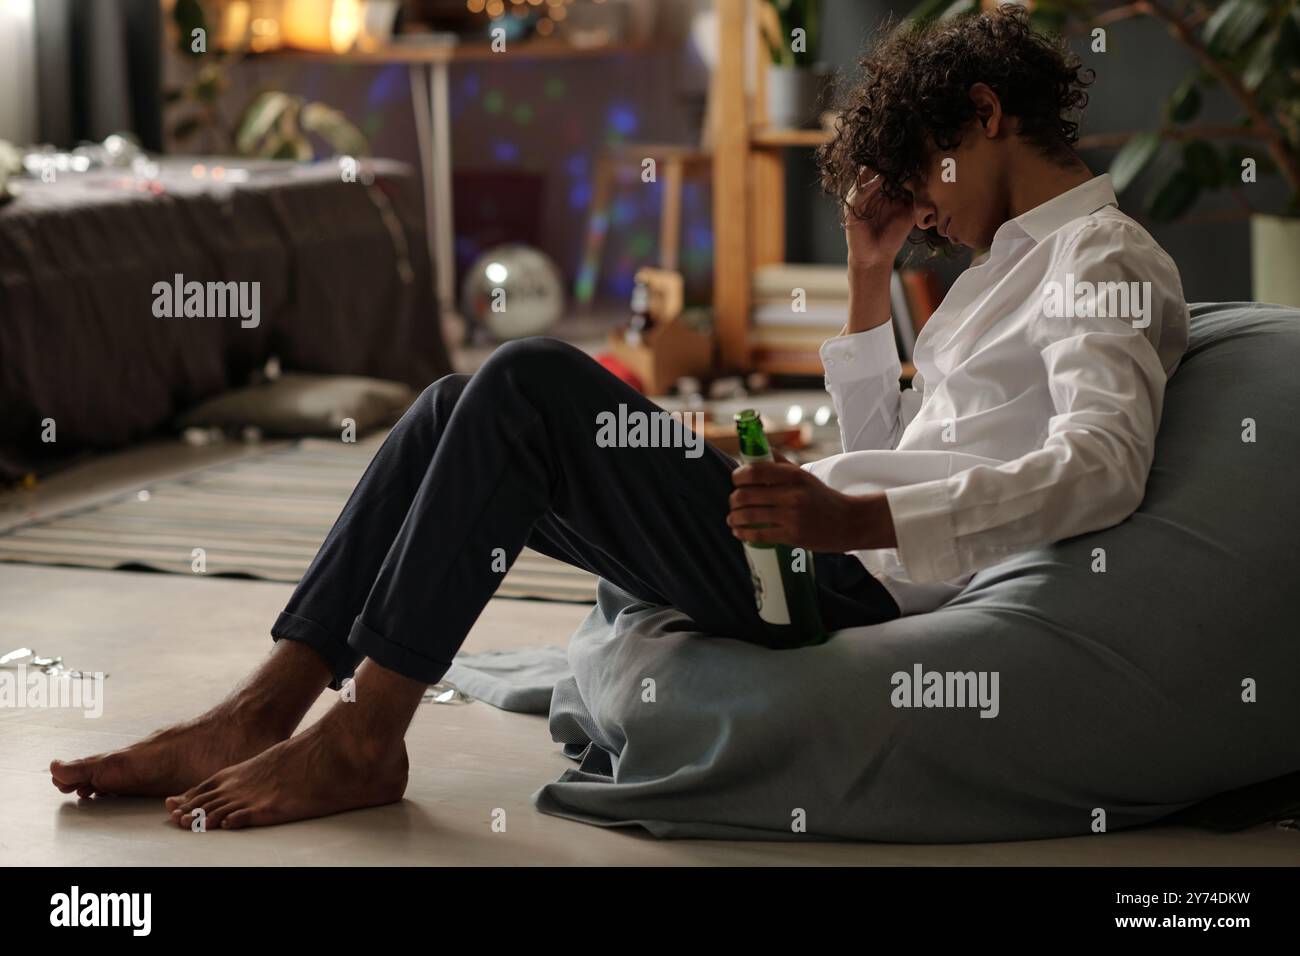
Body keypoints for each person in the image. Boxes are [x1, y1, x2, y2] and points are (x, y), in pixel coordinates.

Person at [50, 6, 1187, 829]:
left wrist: (857, 519)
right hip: (820, 551)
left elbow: (1099, 465)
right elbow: (901, 431)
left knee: (531, 376)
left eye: (918, 181)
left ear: (982, 114)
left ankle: (364, 733)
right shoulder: (1003, 269)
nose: (924, 213)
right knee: (457, 401)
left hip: (842, 582)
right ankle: (263, 706)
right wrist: (863, 275)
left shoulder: (1103, 256)